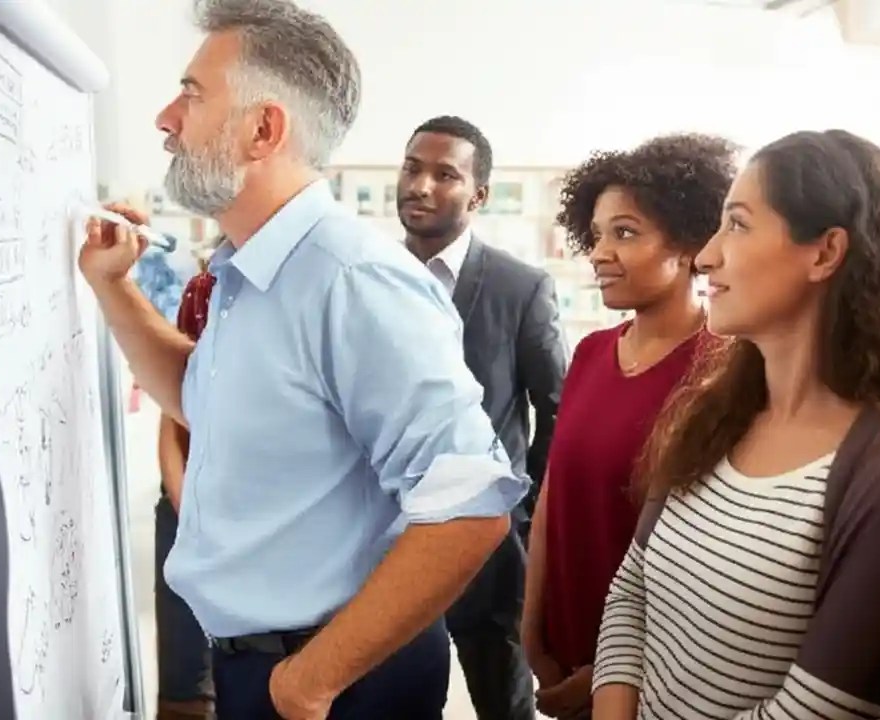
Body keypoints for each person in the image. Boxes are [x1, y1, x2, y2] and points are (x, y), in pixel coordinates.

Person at [77, 1, 526, 718]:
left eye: (191, 94)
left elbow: (469, 510)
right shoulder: (251, 273)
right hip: (270, 668)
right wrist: (113, 285)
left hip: (335, 680)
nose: (166, 119)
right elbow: (197, 397)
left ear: (264, 129)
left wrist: (307, 682)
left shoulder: (351, 278)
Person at [590, 130, 880, 719]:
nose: (707, 257)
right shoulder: (711, 415)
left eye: (737, 224)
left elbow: (813, 712)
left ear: (825, 253)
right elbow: (631, 595)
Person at [521, 133, 736, 719]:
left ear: (692, 243)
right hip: (562, 650)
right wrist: (532, 630)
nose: (597, 253)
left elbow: (704, 544)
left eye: (624, 232)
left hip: (658, 668)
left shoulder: (723, 369)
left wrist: (613, 670)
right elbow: (554, 496)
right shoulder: (590, 352)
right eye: (595, 235)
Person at [398, 115, 567, 720]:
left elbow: (556, 410)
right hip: (381, 540)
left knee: (503, 703)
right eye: (413, 168)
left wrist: (528, 520)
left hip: (486, 542)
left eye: (445, 175)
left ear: (478, 194)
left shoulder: (519, 288)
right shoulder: (368, 279)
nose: (421, 186)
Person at [154, 265, 217, 720]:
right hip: (192, 511)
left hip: (265, 520)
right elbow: (172, 423)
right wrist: (190, 513)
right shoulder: (203, 292)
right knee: (184, 692)